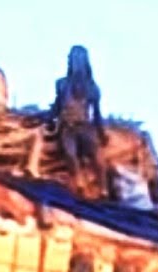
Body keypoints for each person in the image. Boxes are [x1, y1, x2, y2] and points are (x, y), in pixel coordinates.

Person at [50, 45, 108, 198]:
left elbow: (96, 113)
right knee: (70, 154)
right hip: (67, 127)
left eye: (76, 59)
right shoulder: (62, 84)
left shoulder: (92, 88)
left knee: (96, 154)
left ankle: (103, 187)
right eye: (71, 59)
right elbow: (57, 106)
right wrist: (48, 120)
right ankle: (79, 183)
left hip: (85, 127)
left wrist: (101, 133)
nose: (73, 62)